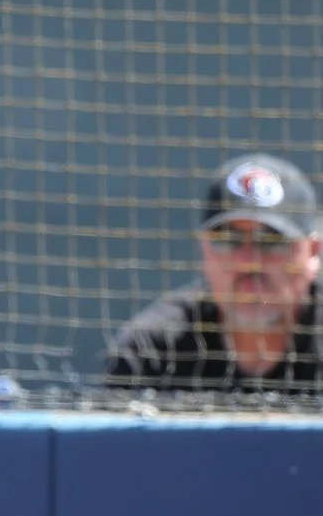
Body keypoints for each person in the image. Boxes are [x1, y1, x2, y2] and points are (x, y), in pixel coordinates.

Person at [105, 154, 323, 396]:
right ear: (204, 249)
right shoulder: (153, 349)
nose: (248, 261)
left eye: (271, 240)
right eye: (228, 240)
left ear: (313, 251)